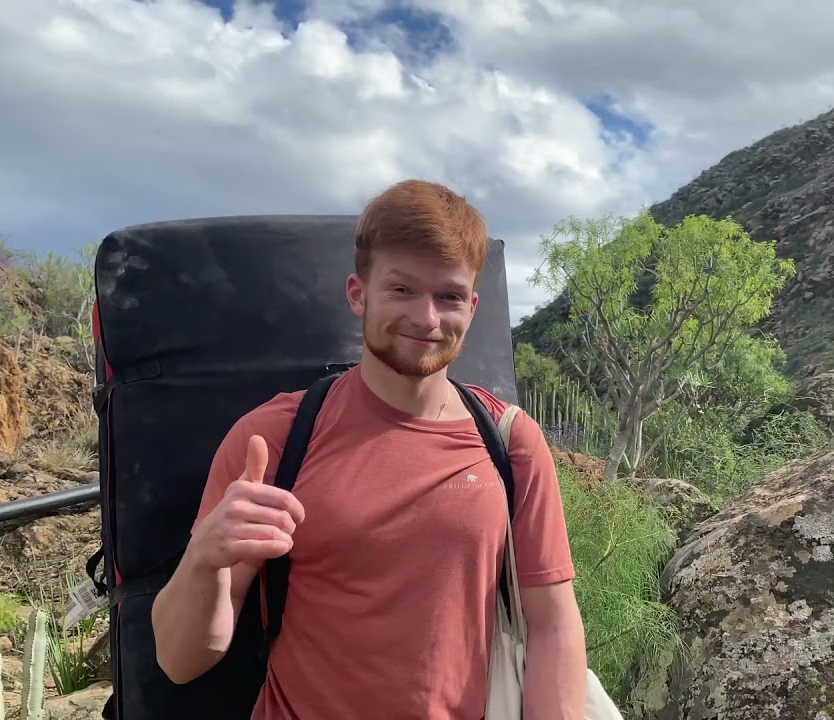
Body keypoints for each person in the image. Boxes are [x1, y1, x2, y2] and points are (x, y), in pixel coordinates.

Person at [148, 179, 589, 719]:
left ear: (473, 307)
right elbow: (180, 661)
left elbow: (552, 624)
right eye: (402, 289)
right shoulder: (275, 438)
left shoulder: (510, 441)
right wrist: (204, 559)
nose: (426, 318)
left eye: (449, 296)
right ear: (359, 294)